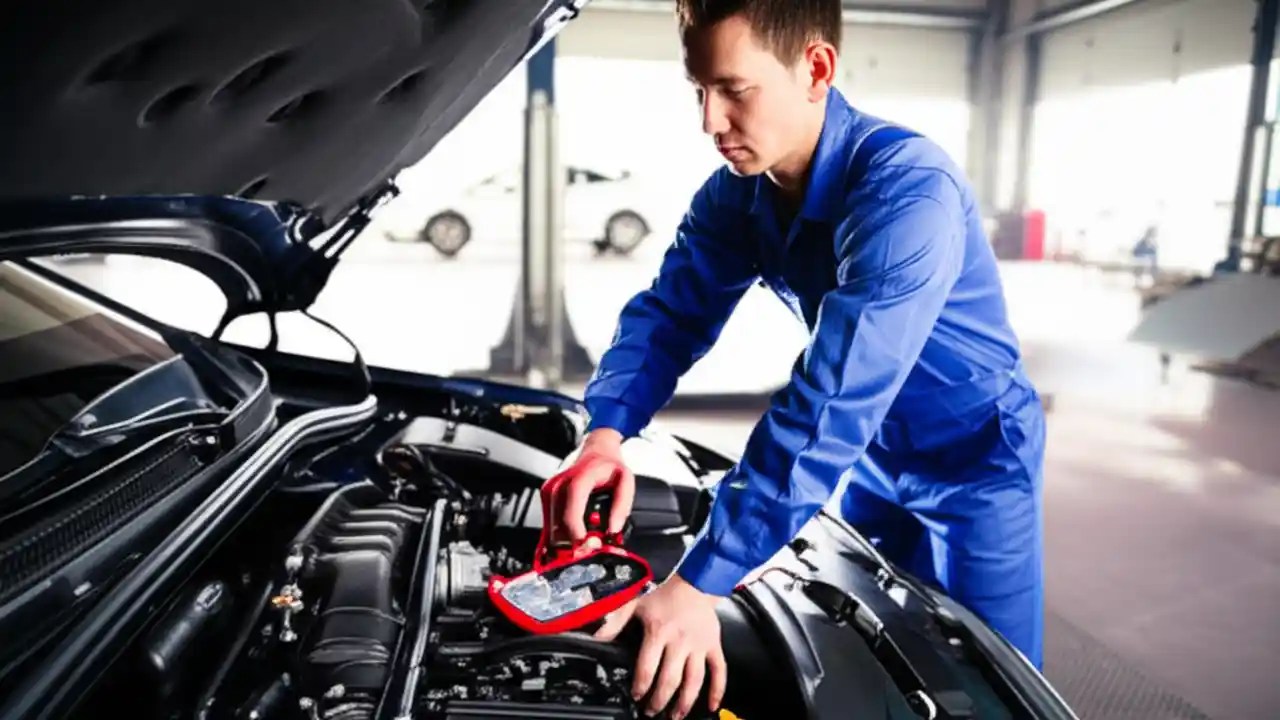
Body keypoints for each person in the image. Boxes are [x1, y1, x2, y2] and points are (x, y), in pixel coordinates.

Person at [543, 1, 1046, 718]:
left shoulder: (908, 192)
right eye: (699, 90)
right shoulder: (738, 194)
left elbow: (832, 396)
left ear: (816, 69)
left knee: (990, 685)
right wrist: (604, 434)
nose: (710, 122)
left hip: (976, 461)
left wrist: (698, 585)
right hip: (870, 455)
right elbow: (669, 314)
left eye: (734, 90)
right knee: (882, 657)